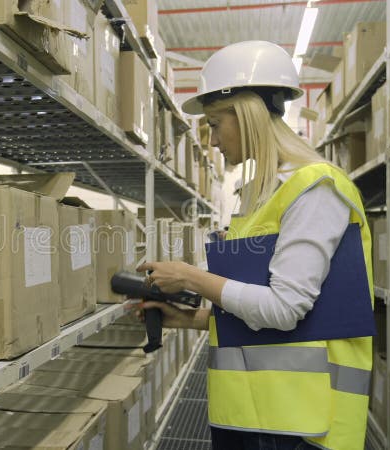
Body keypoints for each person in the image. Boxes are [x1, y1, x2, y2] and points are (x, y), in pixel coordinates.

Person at [136, 41, 374, 450]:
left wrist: (191, 276)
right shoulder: (261, 197)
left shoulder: (315, 189)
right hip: (257, 413)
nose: (211, 140)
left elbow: (284, 309)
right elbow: (256, 309)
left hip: (302, 426)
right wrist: (189, 319)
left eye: (214, 123)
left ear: (247, 115)